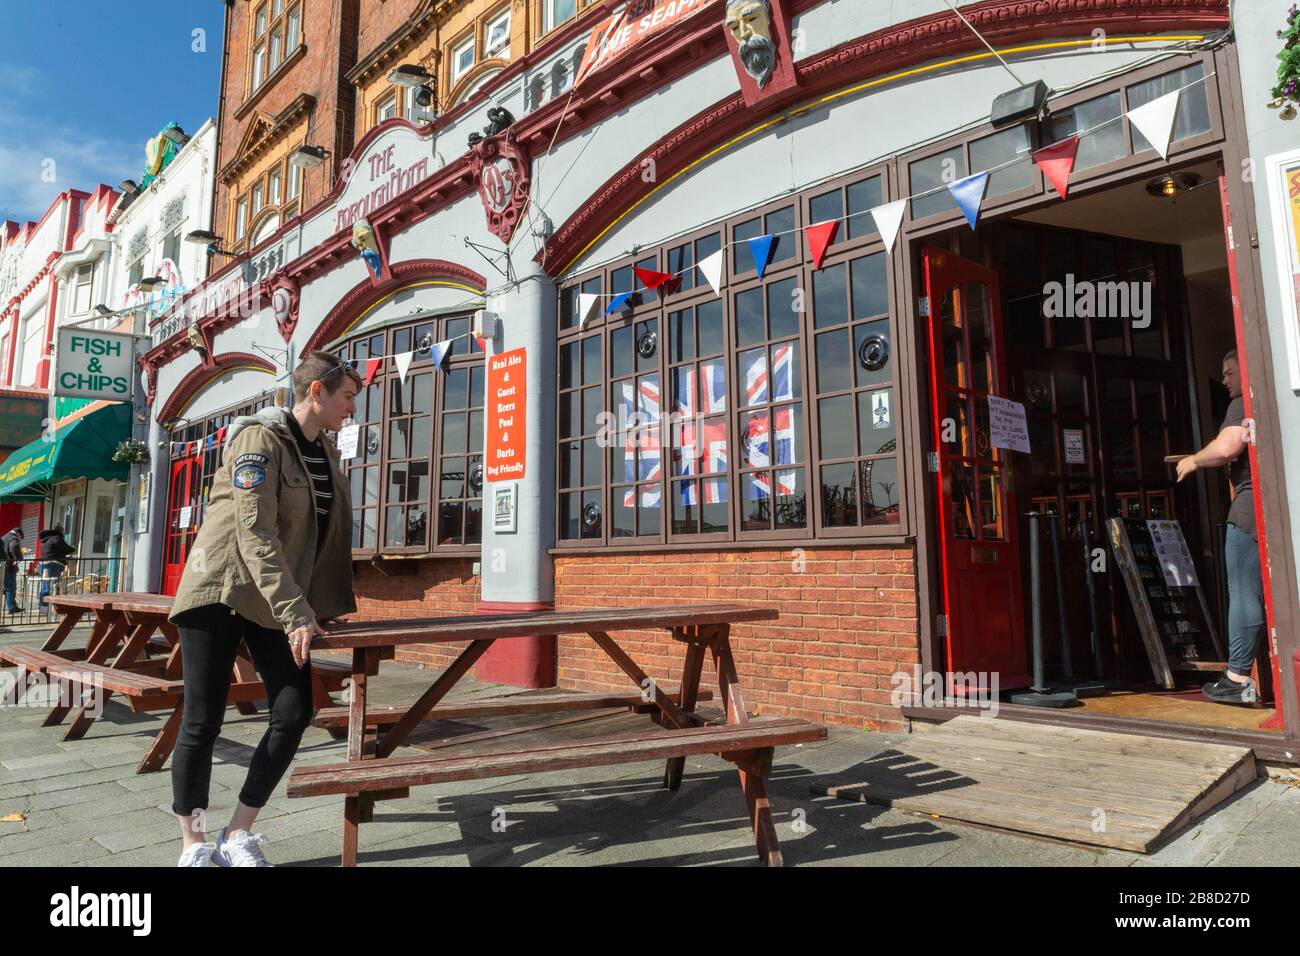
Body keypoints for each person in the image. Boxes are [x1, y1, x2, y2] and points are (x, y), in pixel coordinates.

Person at [169, 351, 361, 866]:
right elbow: (255, 534)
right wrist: (297, 612)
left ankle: (237, 834)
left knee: (295, 710)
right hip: (222, 590)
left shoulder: (324, 453)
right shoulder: (259, 439)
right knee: (203, 720)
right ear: (316, 392)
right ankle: (194, 845)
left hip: (277, 598)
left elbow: (320, 537)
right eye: (346, 397)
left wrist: (321, 604)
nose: (351, 409)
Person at [1176, 349, 1264, 705]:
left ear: (1247, 366)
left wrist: (1193, 460)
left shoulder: (1244, 401)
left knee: (1243, 592)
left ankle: (1238, 676)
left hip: (1247, 512)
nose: (1225, 380)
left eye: (1230, 371)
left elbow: (1228, 447)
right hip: (1271, 508)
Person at [36, 524, 75, 607]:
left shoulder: (47, 539)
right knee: (52, 585)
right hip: (52, 564)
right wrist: (73, 549)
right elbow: (66, 548)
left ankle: (43, 605)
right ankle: (47, 606)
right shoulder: (57, 537)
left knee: (46, 585)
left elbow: (55, 549)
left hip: (43, 563)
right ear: (60, 531)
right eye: (63, 531)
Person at [2, 527, 25, 614]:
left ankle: (12, 606)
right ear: (18, 534)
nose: (19, 540)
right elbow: (14, 547)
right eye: (20, 538)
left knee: (6, 587)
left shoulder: (4, 537)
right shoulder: (13, 538)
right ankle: (12, 607)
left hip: (2, 565)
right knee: (10, 587)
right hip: (9, 567)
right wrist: (19, 558)